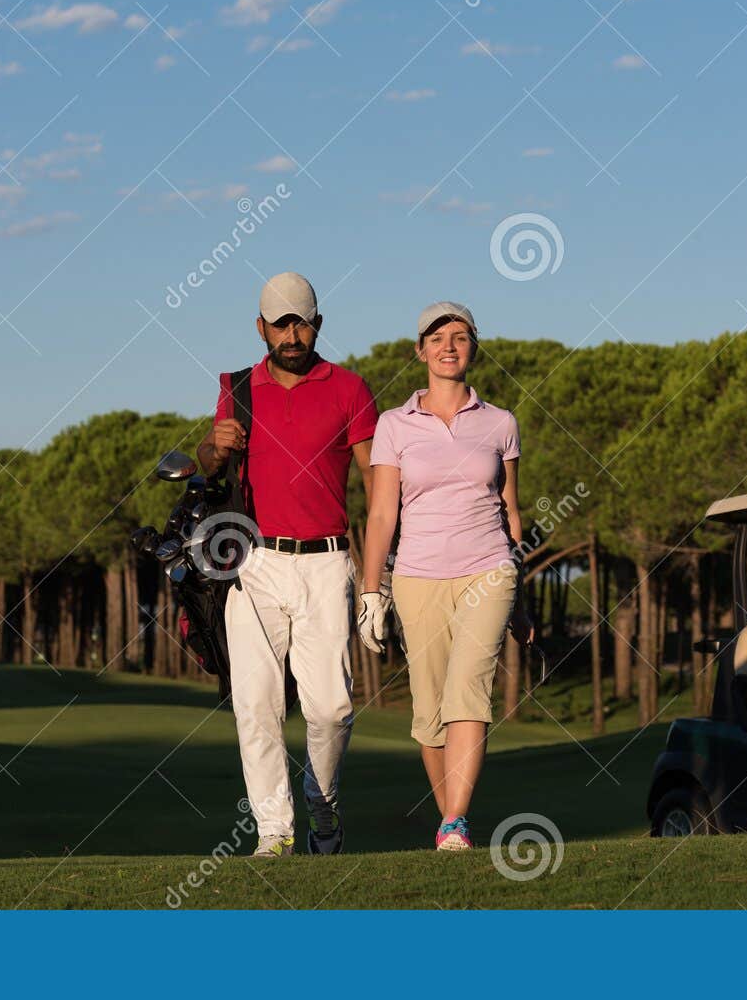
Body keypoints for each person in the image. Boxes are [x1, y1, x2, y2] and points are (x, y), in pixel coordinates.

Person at [198, 272, 377, 857]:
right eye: (281, 325)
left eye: (301, 323)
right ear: (261, 328)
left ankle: (322, 802)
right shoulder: (237, 387)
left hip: (328, 561)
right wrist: (215, 447)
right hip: (255, 561)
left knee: (332, 708)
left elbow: (376, 480)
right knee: (256, 704)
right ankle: (274, 831)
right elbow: (208, 462)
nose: (291, 335)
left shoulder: (350, 388)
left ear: (318, 324)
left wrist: (380, 570)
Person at [358, 302, 528, 851]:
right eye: (436, 338)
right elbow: (381, 514)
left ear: (474, 346)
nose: (448, 347)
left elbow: (511, 511)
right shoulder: (393, 425)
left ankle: (456, 819)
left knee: (468, 691)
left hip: (489, 570)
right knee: (429, 711)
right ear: (420, 351)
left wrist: (521, 596)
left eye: (459, 336)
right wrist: (370, 591)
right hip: (417, 576)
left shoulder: (500, 422)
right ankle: (449, 825)